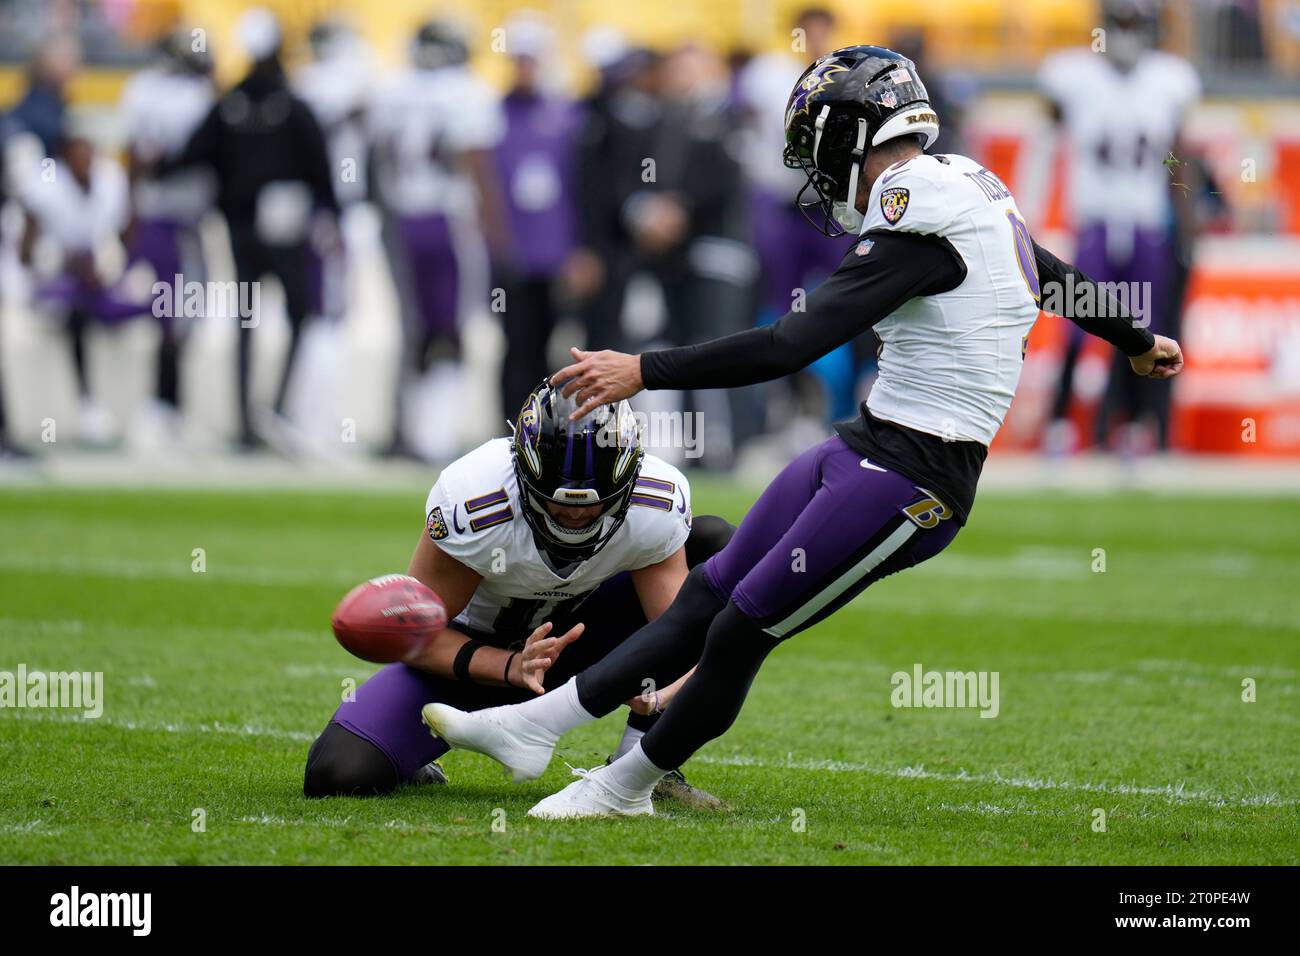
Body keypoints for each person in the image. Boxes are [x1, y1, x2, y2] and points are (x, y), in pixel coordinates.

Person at [421, 46, 1185, 818]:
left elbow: (790, 344)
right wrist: (1135, 338)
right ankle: (533, 726)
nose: (814, 169)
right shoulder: (961, 180)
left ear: (850, 134)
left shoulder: (921, 211)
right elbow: (1047, 271)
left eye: (817, 143)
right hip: (866, 444)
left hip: (918, 478)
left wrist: (642, 370)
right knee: (702, 598)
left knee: (742, 632)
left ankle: (625, 788)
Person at [305, 381, 733, 810]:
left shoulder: (652, 503)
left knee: (716, 545)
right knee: (339, 773)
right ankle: (413, 755)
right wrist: (510, 666)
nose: (576, 516)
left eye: (594, 504)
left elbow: (677, 628)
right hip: (470, 658)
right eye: (557, 503)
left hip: (584, 644)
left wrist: (658, 697)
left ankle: (640, 764)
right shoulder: (476, 499)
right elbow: (418, 633)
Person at [159, 8, 338, 451]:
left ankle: (254, 419)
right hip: (278, 228)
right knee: (293, 314)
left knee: (250, 320)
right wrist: (329, 210)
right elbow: (320, 167)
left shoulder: (233, 105)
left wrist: (158, 167)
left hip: (244, 227)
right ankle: (271, 412)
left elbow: (193, 153)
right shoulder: (285, 105)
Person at [1038, 0, 1199, 455]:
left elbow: (1178, 157)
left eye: (1135, 23)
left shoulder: (1170, 79)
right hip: (1092, 223)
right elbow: (1045, 144)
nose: (1127, 33)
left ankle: (1133, 427)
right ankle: (1059, 425)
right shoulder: (1072, 75)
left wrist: (1188, 220)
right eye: (1121, 23)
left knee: (1143, 329)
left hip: (1147, 225)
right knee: (1075, 321)